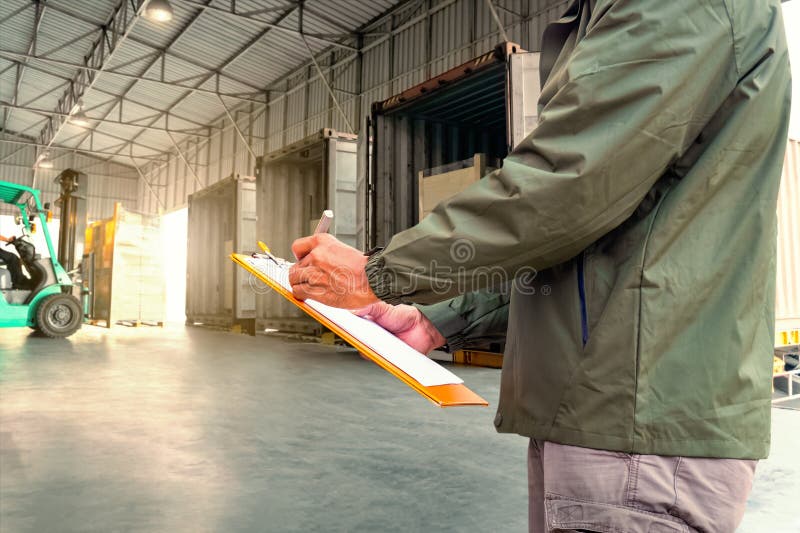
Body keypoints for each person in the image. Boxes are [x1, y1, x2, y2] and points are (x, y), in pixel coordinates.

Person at [288, 0, 790, 530]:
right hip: (614, 418)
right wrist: (442, 317)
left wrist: (376, 273)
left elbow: (567, 190)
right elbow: (598, 240)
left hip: (635, 430)